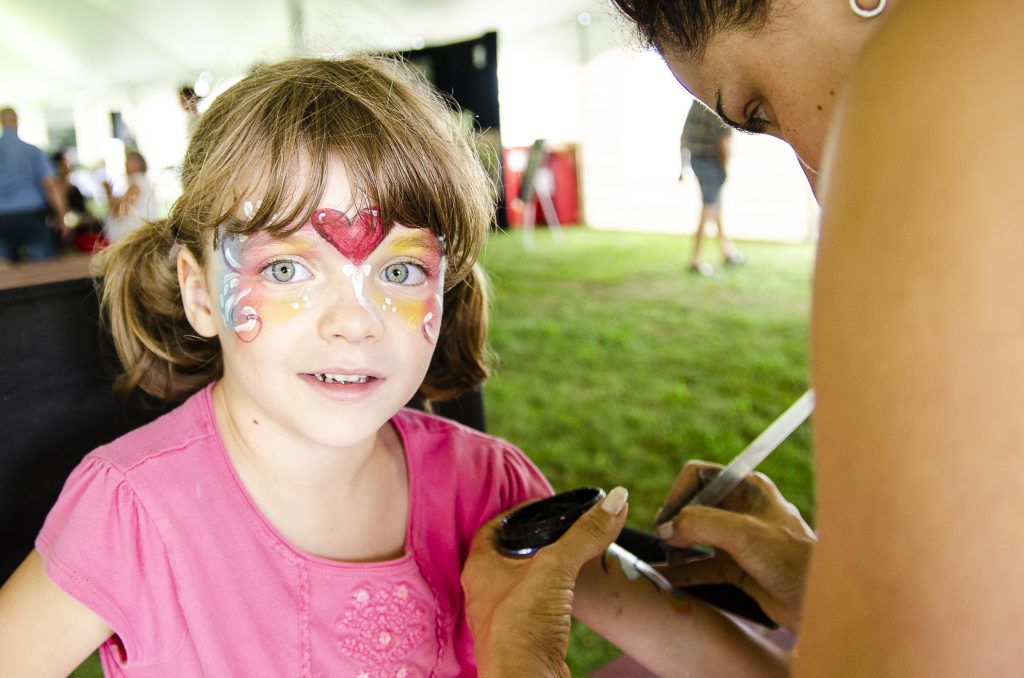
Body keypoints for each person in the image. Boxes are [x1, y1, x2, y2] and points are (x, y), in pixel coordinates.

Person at [0, 56, 788, 677]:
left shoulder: (492, 490)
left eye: (401, 270)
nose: (354, 321)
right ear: (200, 292)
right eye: (286, 269)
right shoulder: (130, 512)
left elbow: (721, 659)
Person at [466, 1, 1023, 675]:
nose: (821, 187)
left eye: (757, 111)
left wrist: (521, 664)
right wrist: (821, 591)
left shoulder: (967, 85)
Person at [680, 101, 744, 275]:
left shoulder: (696, 103)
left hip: (696, 160)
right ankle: (695, 259)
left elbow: (684, 137)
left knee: (716, 206)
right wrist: (725, 168)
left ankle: (727, 253)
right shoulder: (721, 106)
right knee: (708, 208)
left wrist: (683, 166)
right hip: (712, 163)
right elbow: (723, 142)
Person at [0, 107, 67, 262]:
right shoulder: (32, 151)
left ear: (1, 122)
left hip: (2, 216)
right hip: (31, 215)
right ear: (17, 121)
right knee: (41, 268)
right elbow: (50, 185)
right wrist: (62, 215)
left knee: (3, 269)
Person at [102, 150, 160, 243]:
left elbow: (119, 211)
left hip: (132, 236)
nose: (125, 165)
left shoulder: (136, 183)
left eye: (128, 162)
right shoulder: (144, 182)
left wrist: (108, 192)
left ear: (137, 164)